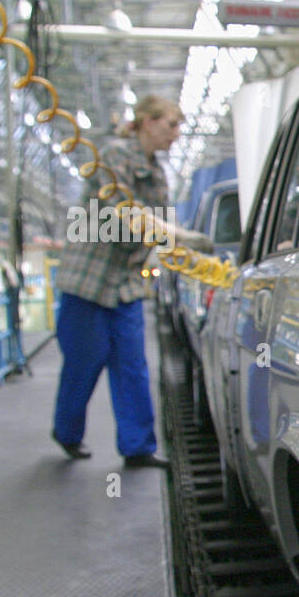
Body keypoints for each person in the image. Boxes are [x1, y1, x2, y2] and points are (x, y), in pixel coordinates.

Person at [51, 94, 195, 468]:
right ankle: (67, 433)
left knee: (132, 364)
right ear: (147, 121)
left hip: (127, 283)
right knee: (85, 359)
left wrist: (172, 238)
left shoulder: (159, 172)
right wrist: (171, 231)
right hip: (91, 279)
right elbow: (122, 220)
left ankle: (138, 446)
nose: (176, 134)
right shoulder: (113, 156)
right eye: (171, 124)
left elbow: (154, 228)